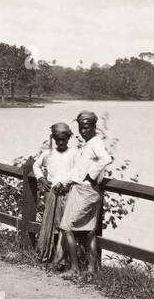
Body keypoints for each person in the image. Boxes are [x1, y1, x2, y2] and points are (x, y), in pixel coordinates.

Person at [59, 110, 114, 277]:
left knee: (67, 226)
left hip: (86, 191)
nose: (83, 131)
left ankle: (74, 269)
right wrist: (64, 182)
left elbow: (105, 159)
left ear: (93, 127)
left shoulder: (96, 142)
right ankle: (91, 270)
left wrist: (91, 175)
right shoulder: (88, 144)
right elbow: (78, 170)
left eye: (86, 127)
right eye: (81, 128)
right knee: (89, 231)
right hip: (83, 190)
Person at [31, 121, 77, 267]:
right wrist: (41, 178)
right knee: (52, 223)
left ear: (69, 139)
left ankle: (62, 259)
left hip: (68, 193)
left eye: (64, 139)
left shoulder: (74, 152)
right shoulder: (48, 153)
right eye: (58, 140)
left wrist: (64, 182)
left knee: (65, 225)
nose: (61, 142)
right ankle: (48, 254)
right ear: (54, 139)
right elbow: (36, 165)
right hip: (53, 194)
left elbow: (77, 171)